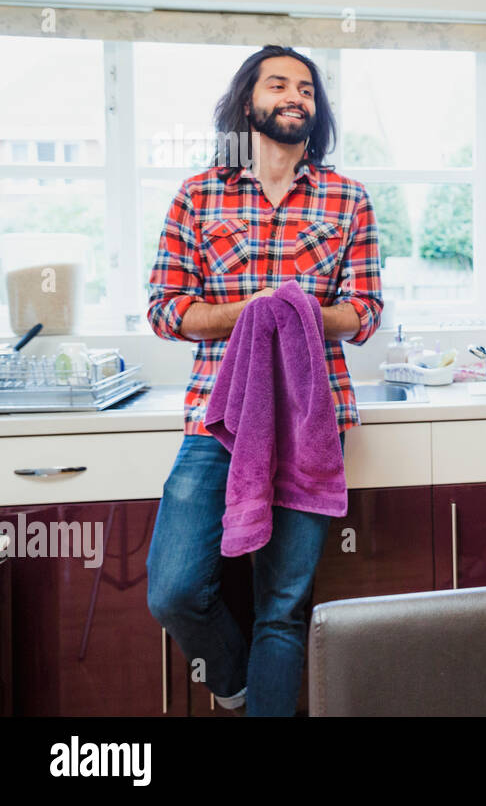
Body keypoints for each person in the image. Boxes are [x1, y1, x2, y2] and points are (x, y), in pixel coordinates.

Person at [145, 46, 383, 716]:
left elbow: (364, 312)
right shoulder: (198, 194)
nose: (295, 96)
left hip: (309, 424)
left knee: (284, 608)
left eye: (307, 88)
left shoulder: (348, 198)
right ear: (246, 100)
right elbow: (168, 311)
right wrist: (252, 314)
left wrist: (300, 313)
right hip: (214, 423)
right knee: (174, 590)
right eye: (278, 83)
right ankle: (238, 684)